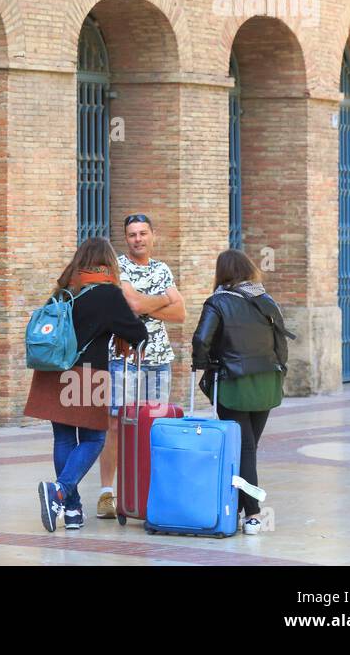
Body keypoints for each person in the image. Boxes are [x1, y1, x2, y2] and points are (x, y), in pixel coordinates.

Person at [27, 237, 150, 533]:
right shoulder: (109, 293)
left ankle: (72, 511)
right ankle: (59, 491)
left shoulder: (65, 288)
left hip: (52, 373)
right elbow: (138, 333)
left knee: (64, 440)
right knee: (94, 439)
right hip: (87, 376)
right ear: (108, 262)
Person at [191, 249, 295, 535]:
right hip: (267, 383)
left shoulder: (218, 302)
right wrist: (279, 371)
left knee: (244, 449)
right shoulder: (265, 300)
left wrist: (203, 363)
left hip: (234, 384)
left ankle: (252, 514)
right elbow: (281, 345)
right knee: (248, 448)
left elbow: (201, 339)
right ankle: (236, 506)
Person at [97, 213, 186, 519]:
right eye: (132, 234)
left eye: (143, 233)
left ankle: (148, 491)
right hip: (124, 358)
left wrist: (145, 304)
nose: (138, 239)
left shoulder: (162, 268)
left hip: (158, 360)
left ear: (152, 235)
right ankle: (106, 494)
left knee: (155, 425)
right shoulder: (118, 268)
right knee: (115, 423)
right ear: (126, 238)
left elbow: (180, 313)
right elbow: (132, 305)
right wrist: (163, 298)